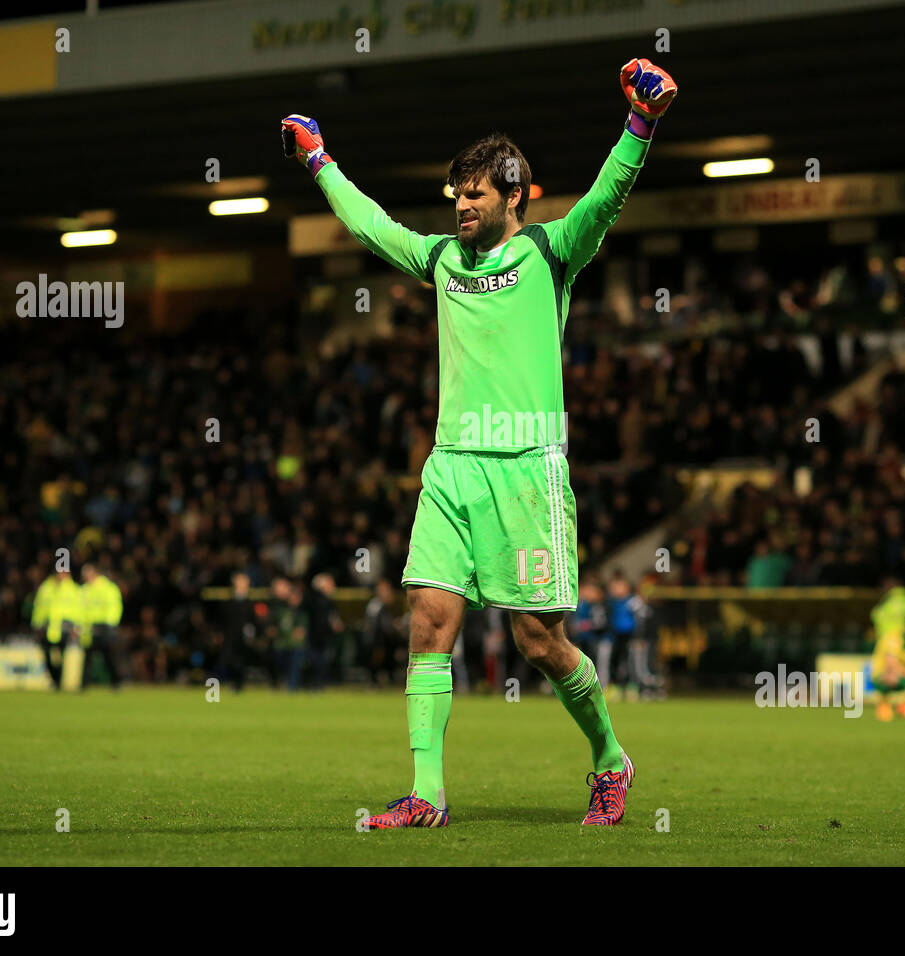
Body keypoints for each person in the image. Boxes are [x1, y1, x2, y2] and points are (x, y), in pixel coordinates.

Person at [284, 56, 678, 828]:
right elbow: (372, 224)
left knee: (538, 641)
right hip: (453, 471)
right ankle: (427, 794)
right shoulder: (439, 261)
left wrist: (641, 124)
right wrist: (320, 163)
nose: (461, 204)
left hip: (528, 473)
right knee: (428, 622)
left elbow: (607, 198)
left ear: (514, 197)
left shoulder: (549, 254)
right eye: (455, 193)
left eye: (475, 193)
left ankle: (609, 757)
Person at [31, 569, 83, 690]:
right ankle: (55, 679)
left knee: (62, 655)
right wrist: (36, 624)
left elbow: (79, 610)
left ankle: (58, 681)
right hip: (47, 626)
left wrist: (77, 626)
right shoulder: (46, 587)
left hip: (65, 627)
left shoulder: (73, 589)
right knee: (47, 654)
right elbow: (39, 607)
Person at [80, 563, 124, 689]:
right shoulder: (84, 589)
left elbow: (114, 607)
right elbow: (80, 609)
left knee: (109, 657)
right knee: (87, 657)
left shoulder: (108, 588)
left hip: (105, 627)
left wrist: (110, 624)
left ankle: (116, 682)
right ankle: (84, 685)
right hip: (89, 628)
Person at [270, 577, 309, 692]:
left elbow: (300, 633)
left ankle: (292, 687)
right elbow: (276, 629)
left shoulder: (302, 614)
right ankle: (280, 684)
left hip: (295, 646)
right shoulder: (281, 611)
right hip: (281, 644)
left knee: (294, 665)